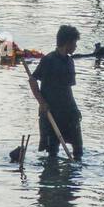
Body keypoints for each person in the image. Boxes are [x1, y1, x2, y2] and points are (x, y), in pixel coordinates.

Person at [30, 25, 83, 160]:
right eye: (74, 43)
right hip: (51, 112)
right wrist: (41, 102)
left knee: (78, 151)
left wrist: (75, 110)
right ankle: (52, 177)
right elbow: (32, 80)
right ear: (67, 42)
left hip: (68, 111)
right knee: (52, 152)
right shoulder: (48, 60)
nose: (76, 46)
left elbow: (68, 89)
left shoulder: (69, 61)